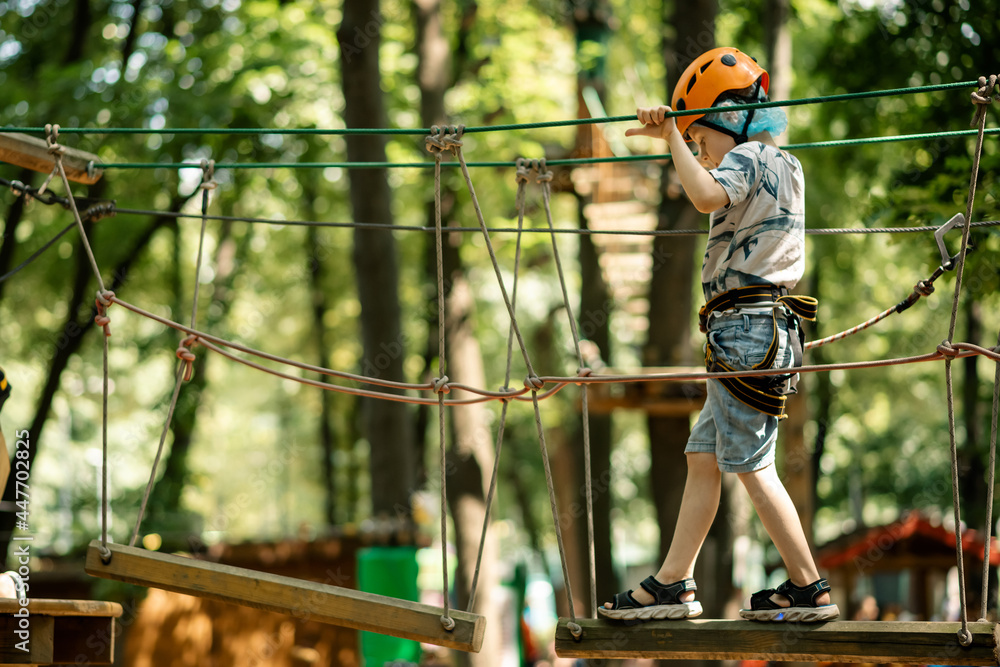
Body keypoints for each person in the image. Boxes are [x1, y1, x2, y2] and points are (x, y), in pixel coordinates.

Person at [598, 47, 839, 623]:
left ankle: (809, 586)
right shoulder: (785, 164)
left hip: (747, 327)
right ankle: (673, 583)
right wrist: (682, 136)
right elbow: (714, 186)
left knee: (752, 466)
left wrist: (670, 138)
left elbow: (705, 195)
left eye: (701, 136)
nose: (700, 150)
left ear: (726, 118)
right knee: (703, 458)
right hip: (754, 326)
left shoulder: (750, 156)